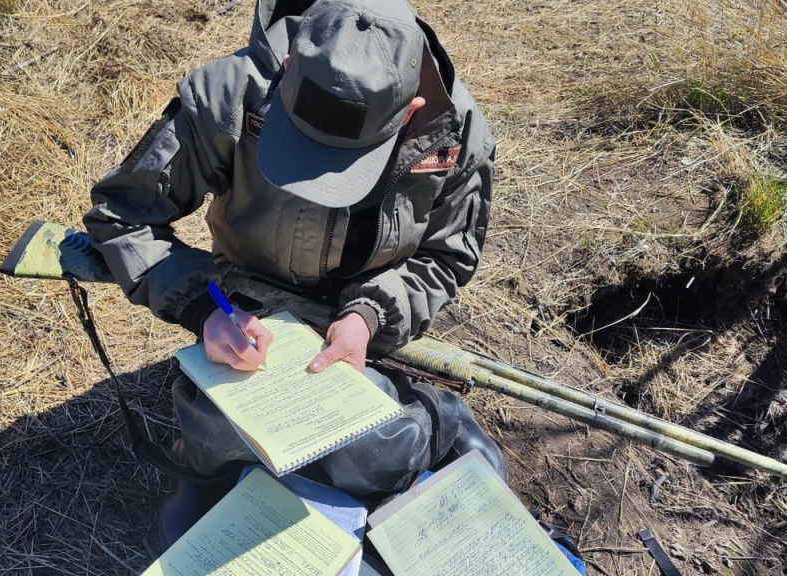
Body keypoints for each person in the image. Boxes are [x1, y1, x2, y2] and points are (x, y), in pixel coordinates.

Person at [83, 0, 507, 550]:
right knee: (212, 422)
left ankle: (437, 419)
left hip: (365, 321)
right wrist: (204, 309)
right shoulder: (227, 96)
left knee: (373, 451)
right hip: (246, 298)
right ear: (286, 72)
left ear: (410, 112)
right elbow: (123, 216)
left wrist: (367, 316)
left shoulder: (454, 134)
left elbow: (446, 256)